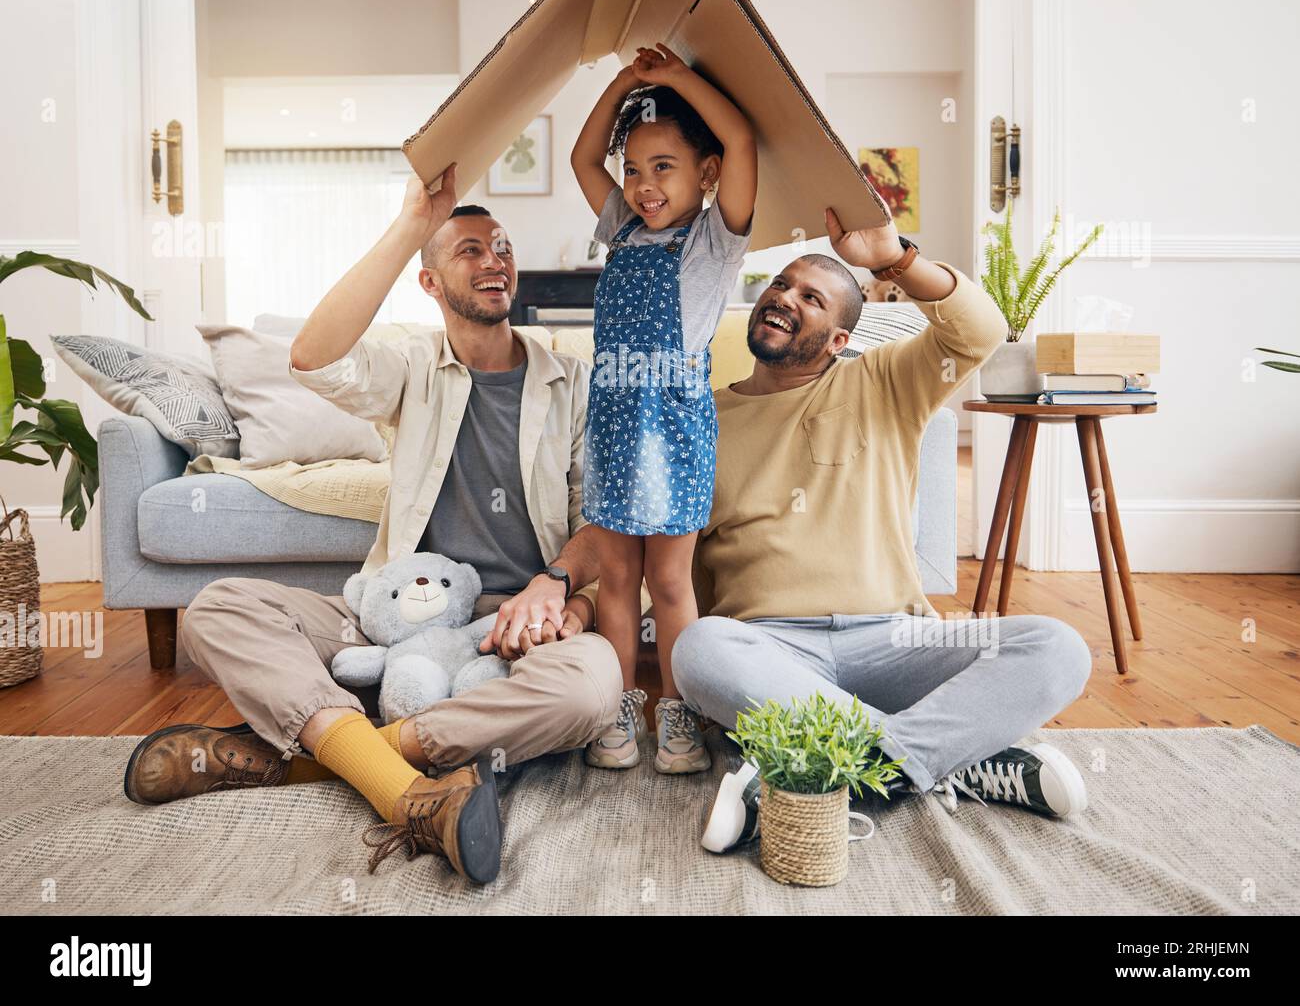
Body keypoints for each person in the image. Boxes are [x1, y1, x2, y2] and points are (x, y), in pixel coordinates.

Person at [122, 166, 623, 885]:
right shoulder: (411, 363)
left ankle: (316, 756)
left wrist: (563, 593)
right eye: (470, 250)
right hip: (396, 617)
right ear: (430, 282)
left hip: (510, 628)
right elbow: (312, 357)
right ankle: (408, 790)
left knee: (593, 687)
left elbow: (600, 525)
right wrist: (411, 225)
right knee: (217, 608)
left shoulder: (570, 383)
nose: (495, 261)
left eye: (503, 247)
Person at [673, 211, 1095, 850]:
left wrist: (893, 257)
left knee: (1057, 645)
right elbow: (678, 569)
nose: (785, 298)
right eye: (780, 285)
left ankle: (809, 771)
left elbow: (980, 332)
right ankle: (961, 759)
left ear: (840, 339)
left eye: (811, 298)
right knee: (700, 649)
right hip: (773, 652)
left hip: (898, 638)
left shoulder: (884, 382)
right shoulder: (700, 417)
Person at [570, 43, 757, 774]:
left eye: (664, 167)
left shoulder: (714, 243)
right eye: (636, 169)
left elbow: (739, 137)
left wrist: (676, 77)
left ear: (706, 174)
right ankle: (619, 706)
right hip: (615, 430)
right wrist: (623, 82)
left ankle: (677, 711)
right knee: (615, 580)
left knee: (671, 582)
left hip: (675, 434)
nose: (644, 186)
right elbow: (586, 160)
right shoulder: (620, 227)